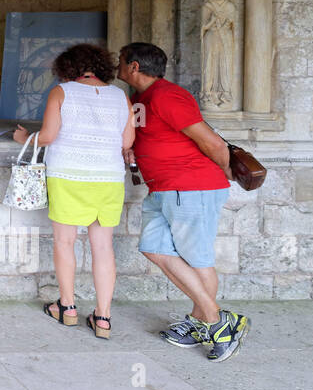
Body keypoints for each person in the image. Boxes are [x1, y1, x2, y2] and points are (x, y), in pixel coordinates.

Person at [116, 42, 250, 363]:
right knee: (155, 248)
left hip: (190, 186)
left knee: (197, 260)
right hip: (163, 188)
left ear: (134, 67)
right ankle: (210, 320)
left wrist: (225, 172)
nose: (117, 67)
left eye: (121, 62)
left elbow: (211, 141)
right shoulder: (140, 99)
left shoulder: (166, 95)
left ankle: (215, 324)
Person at [14, 43, 133, 339]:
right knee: (103, 247)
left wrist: (24, 138)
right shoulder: (120, 97)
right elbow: (127, 141)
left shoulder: (62, 91)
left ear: (68, 67)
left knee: (65, 242)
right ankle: (103, 317)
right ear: (100, 67)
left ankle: (67, 308)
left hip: (68, 175)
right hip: (108, 178)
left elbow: (50, 136)